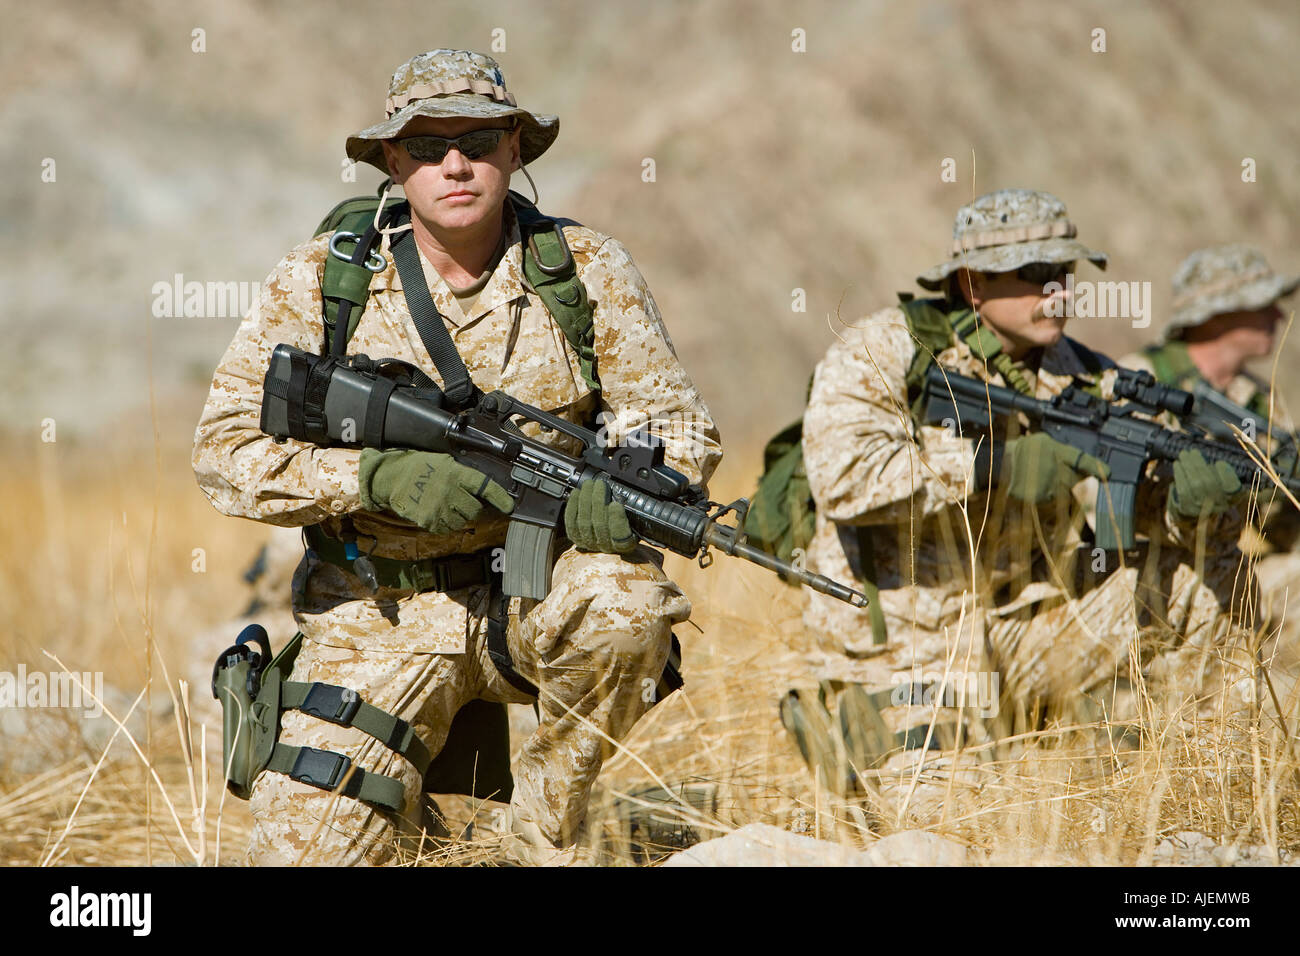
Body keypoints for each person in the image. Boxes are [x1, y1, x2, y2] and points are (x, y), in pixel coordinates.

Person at [193, 49, 721, 864]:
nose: (456, 163)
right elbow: (223, 451)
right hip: (377, 610)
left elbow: (679, 425)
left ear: (515, 148)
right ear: (394, 160)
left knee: (629, 607)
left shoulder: (587, 272)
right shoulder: (323, 282)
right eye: (429, 144)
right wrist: (370, 478)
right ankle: (418, 811)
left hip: (535, 598)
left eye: (478, 140)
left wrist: (632, 484)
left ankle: (540, 833)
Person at [787, 189, 1257, 811]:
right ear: (973, 284)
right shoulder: (883, 351)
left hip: (1024, 627)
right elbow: (841, 478)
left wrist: (1191, 505)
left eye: (1063, 274)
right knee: (950, 820)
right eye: (1034, 275)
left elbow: (1145, 495)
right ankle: (859, 735)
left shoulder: (1082, 372)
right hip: (904, 643)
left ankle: (1202, 784)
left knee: (1207, 578)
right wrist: (992, 464)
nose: (1057, 291)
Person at [1119, 244, 1300, 676]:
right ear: (1217, 313)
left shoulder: (1259, 403)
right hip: (1146, 574)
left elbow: (1276, 526)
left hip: (1230, 566)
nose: (1278, 316)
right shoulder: (1142, 376)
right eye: (1261, 304)